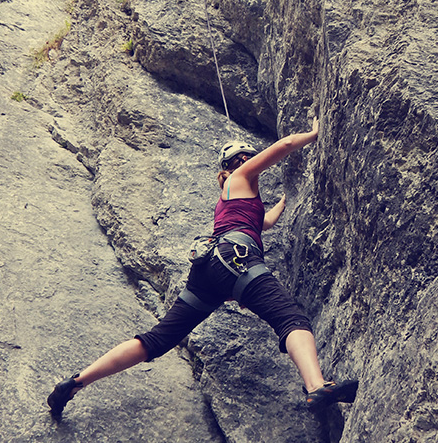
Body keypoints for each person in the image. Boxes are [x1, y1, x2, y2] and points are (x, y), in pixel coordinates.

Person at [47, 116, 358, 418]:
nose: (249, 162)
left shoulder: (237, 201)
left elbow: (263, 222)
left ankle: (76, 382)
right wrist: (314, 133)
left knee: (158, 339)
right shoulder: (240, 178)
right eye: (244, 159)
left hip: (209, 270)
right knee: (290, 318)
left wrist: (281, 205)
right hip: (235, 258)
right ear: (233, 166)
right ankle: (317, 385)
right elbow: (285, 144)